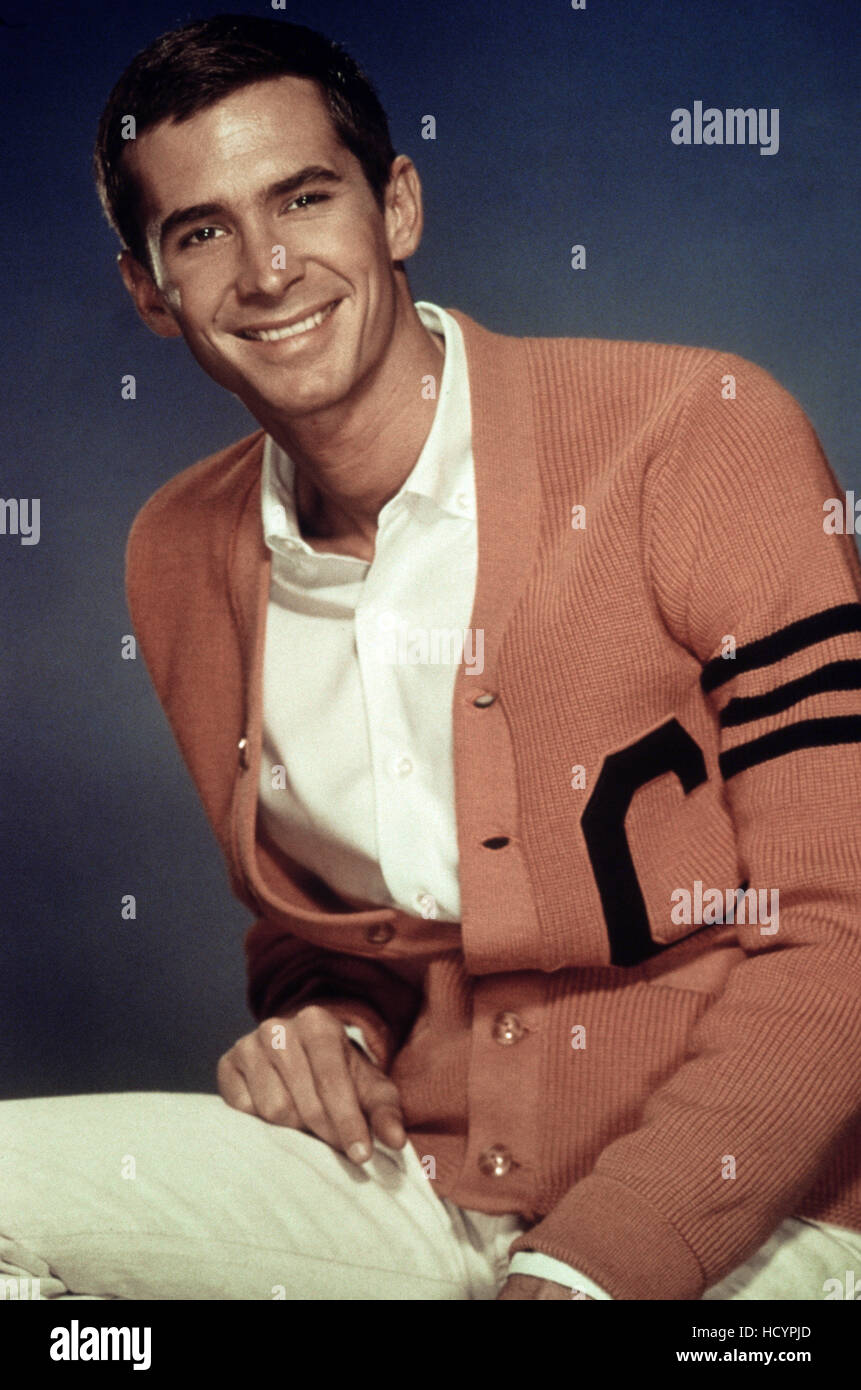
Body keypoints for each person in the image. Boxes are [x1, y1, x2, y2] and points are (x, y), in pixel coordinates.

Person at [2, 13, 860, 1302]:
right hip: (422, 1193)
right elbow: (338, 939)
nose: (267, 268)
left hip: (761, 1219)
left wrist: (590, 1270)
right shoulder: (180, 552)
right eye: (201, 231)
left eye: (304, 197)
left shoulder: (695, 438)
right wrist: (326, 1028)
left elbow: (843, 930)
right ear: (150, 292)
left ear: (395, 206)